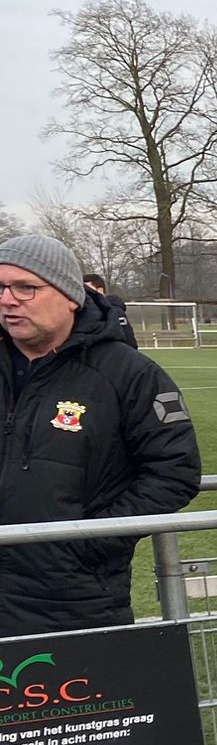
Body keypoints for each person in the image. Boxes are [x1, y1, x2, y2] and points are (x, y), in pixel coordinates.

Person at [0, 234, 200, 638]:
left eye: (25, 288)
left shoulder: (128, 373)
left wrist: (89, 541)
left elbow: (174, 471)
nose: (8, 300)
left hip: (73, 599)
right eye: (0, 288)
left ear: (70, 296)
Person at [80, 275, 137, 348]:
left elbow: (130, 342)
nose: (85, 294)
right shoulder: (83, 312)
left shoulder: (116, 312)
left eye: (88, 290)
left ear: (100, 291)